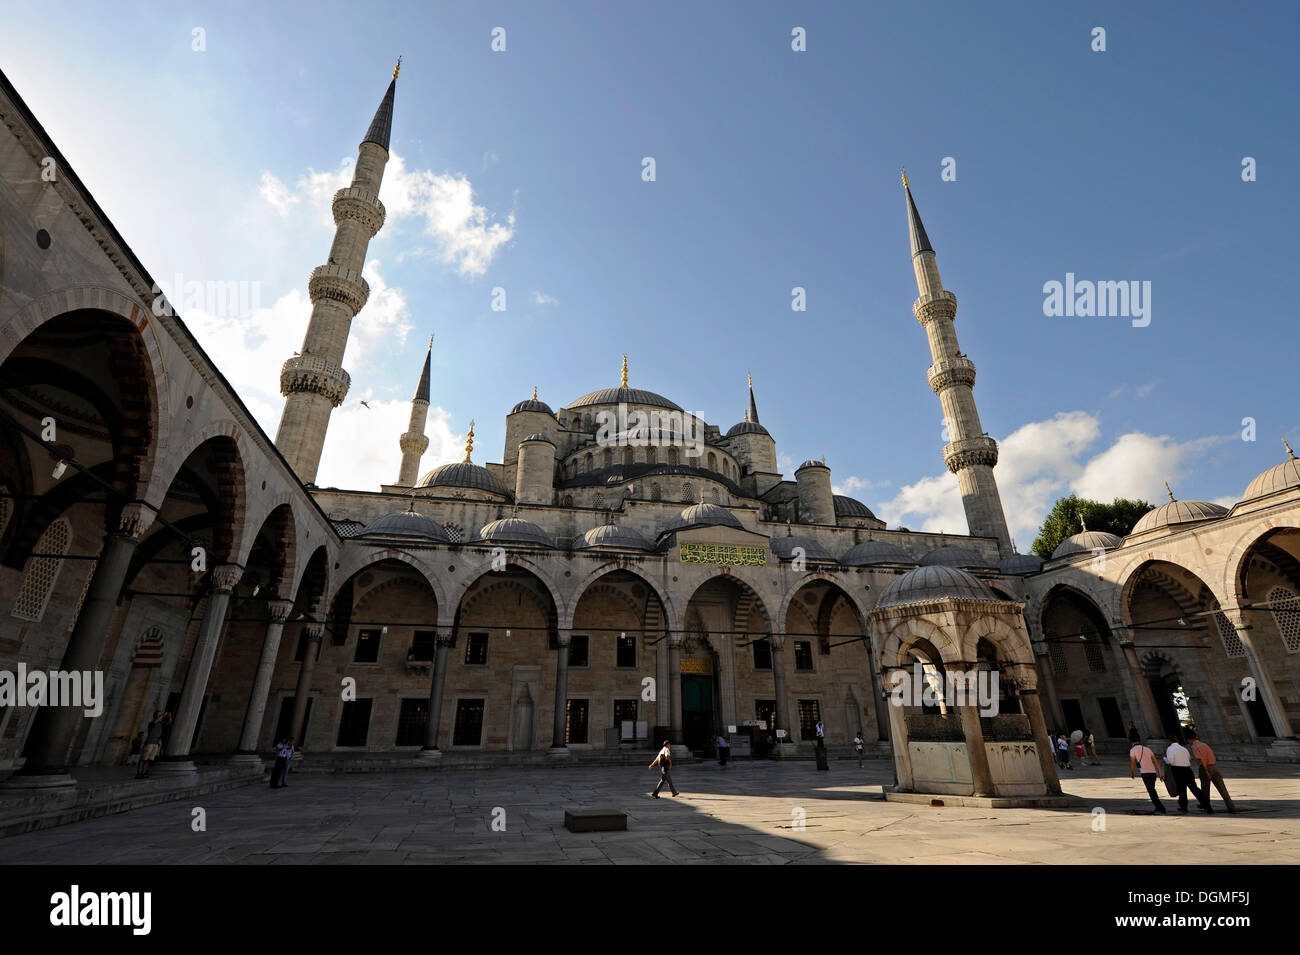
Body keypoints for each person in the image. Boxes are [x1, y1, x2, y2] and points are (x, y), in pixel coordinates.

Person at [1187, 730, 1236, 813]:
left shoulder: (1195, 746)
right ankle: (1231, 807)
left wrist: (1206, 771)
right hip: (1214, 766)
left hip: (1205, 768)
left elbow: (1202, 759)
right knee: (1222, 789)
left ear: (1189, 739)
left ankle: (1207, 807)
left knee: (1205, 789)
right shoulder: (1204, 744)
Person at [1164, 735, 1211, 813]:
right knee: (1194, 788)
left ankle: (1183, 807)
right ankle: (1207, 805)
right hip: (1188, 770)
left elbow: (1171, 761)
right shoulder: (1184, 749)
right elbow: (1189, 758)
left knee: (1182, 790)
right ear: (1177, 741)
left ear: (1170, 741)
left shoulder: (1170, 749)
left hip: (1178, 770)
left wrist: (1165, 759)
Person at [1129, 738, 1167, 813]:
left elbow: (1132, 762)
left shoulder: (1133, 750)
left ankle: (1160, 808)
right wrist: (1160, 774)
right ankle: (1159, 807)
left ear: (1131, 742)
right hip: (1153, 773)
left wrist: (1132, 772)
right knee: (1152, 790)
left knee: (1151, 791)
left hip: (1144, 773)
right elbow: (1156, 762)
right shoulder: (1147, 749)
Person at [136, 711, 165, 778]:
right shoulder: (152, 723)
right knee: (144, 759)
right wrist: (163, 714)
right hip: (150, 742)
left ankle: (144, 772)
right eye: (159, 715)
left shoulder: (160, 724)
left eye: (161, 715)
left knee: (149, 759)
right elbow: (155, 721)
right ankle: (139, 773)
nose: (161, 716)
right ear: (155, 716)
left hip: (155, 743)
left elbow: (168, 723)